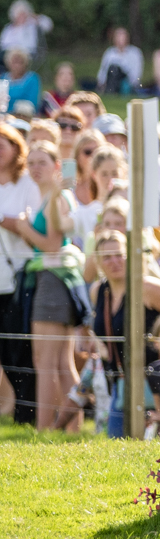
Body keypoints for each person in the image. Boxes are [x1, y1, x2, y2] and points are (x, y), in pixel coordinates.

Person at [0, 141, 87, 430]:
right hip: (54, 279)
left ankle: (45, 428)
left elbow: (51, 245)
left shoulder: (56, 198)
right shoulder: (49, 196)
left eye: (42, 162)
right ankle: (71, 429)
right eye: (32, 163)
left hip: (53, 280)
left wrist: (24, 227)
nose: (35, 168)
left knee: (46, 360)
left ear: (57, 166)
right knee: (60, 361)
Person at [88, 229, 160, 438]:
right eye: (107, 257)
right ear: (98, 262)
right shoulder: (99, 291)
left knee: (159, 450)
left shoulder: (146, 287)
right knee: (117, 447)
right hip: (121, 383)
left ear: (130, 256)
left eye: (119, 255)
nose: (114, 261)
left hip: (158, 387)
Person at [0, 124, 38, 422]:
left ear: (16, 148)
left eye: (4, 144)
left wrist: (3, 219)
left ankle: (25, 413)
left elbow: (33, 229)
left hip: (19, 278)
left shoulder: (27, 183)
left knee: (19, 349)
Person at [97, 27, 145, 95]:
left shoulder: (135, 53)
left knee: (115, 69)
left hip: (127, 82)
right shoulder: (109, 53)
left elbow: (136, 74)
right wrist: (101, 83)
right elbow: (103, 71)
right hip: (111, 79)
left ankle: (112, 91)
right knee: (113, 70)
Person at [1, 49, 41, 119]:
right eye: (14, 62)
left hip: (23, 115)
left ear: (25, 64)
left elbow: (31, 101)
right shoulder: (3, 78)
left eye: (20, 62)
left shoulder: (32, 79)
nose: (17, 65)